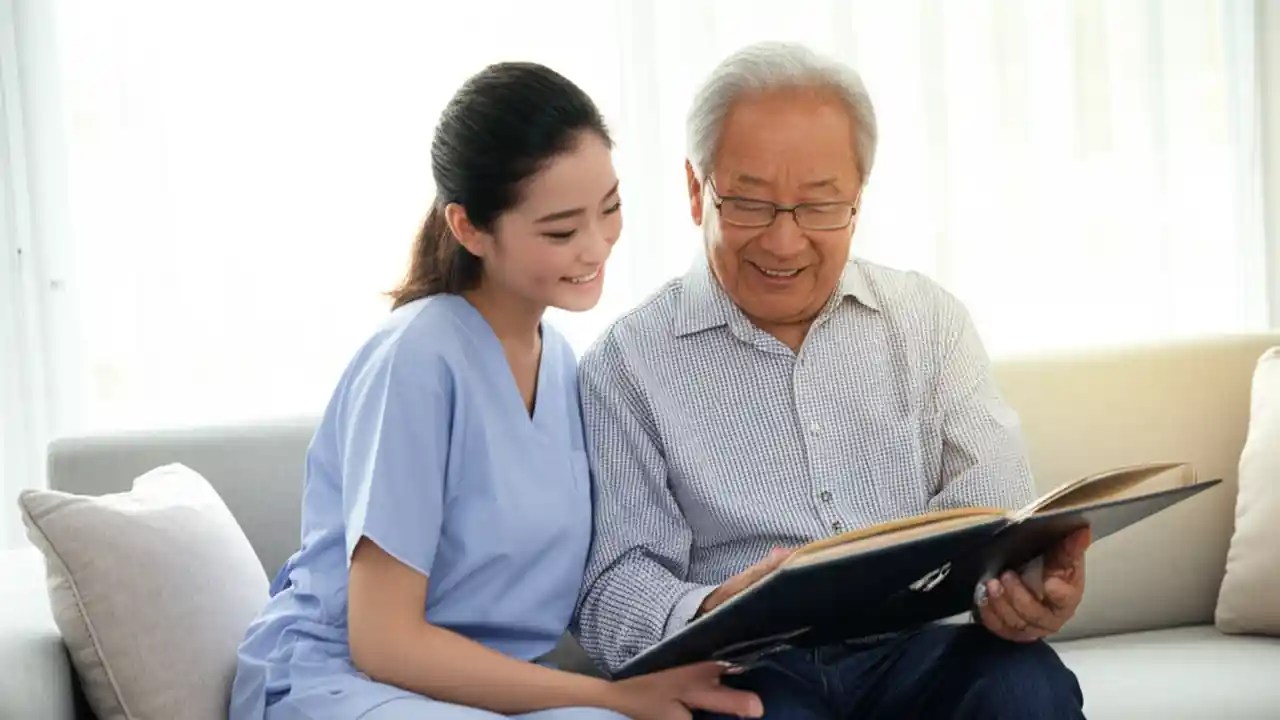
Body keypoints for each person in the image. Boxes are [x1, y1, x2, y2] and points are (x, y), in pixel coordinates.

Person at [228, 62, 762, 720]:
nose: (596, 247)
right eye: (561, 231)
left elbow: (586, 580)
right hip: (345, 683)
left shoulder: (567, 367)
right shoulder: (417, 360)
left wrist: (715, 604)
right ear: (469, 228)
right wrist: (607, 696)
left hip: (490, 691)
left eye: (611, 208)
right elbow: (384, 641)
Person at [573, 42, 1088, 719]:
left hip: (916, 650)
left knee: (1029, 687)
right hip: (750, 671)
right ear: (697, 193)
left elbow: (998, 508)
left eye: (820, 206)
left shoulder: (927, 322)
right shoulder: (625, 365)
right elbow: (611, 584)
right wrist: (705, 607)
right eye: (749, 204)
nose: (784, 244)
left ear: (858, 198)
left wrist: (1027, 584)